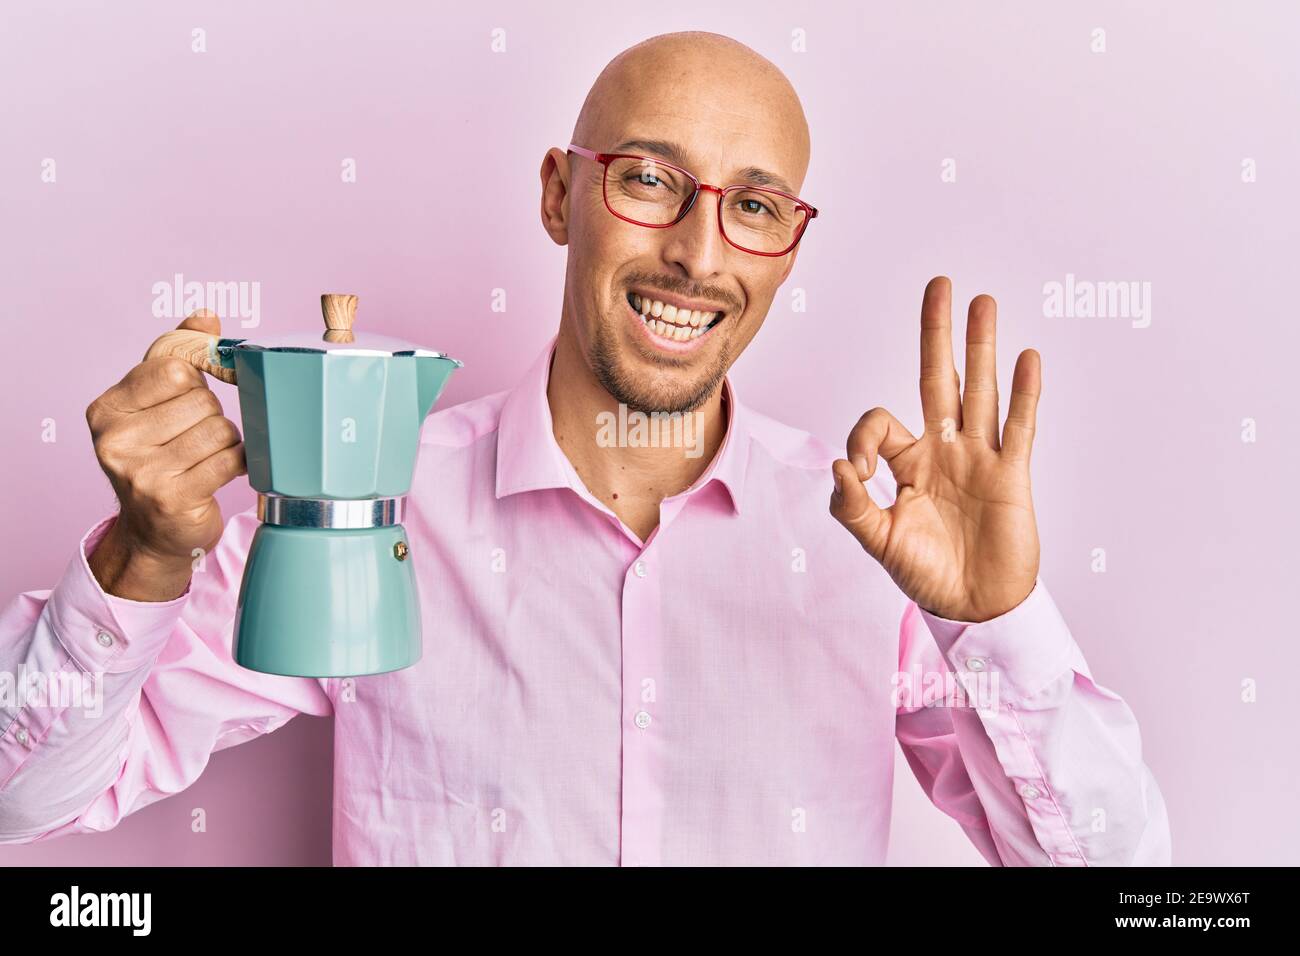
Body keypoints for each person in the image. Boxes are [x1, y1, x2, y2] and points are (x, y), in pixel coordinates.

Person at [0, 31, 1170, 865]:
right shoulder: (363, 500)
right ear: (561, 194)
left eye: (755, 206)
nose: (699, 257)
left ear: (787, 250)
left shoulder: (876, 546)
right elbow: (23, 797)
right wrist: (142, 562)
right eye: (651, 180)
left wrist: (994, 620)